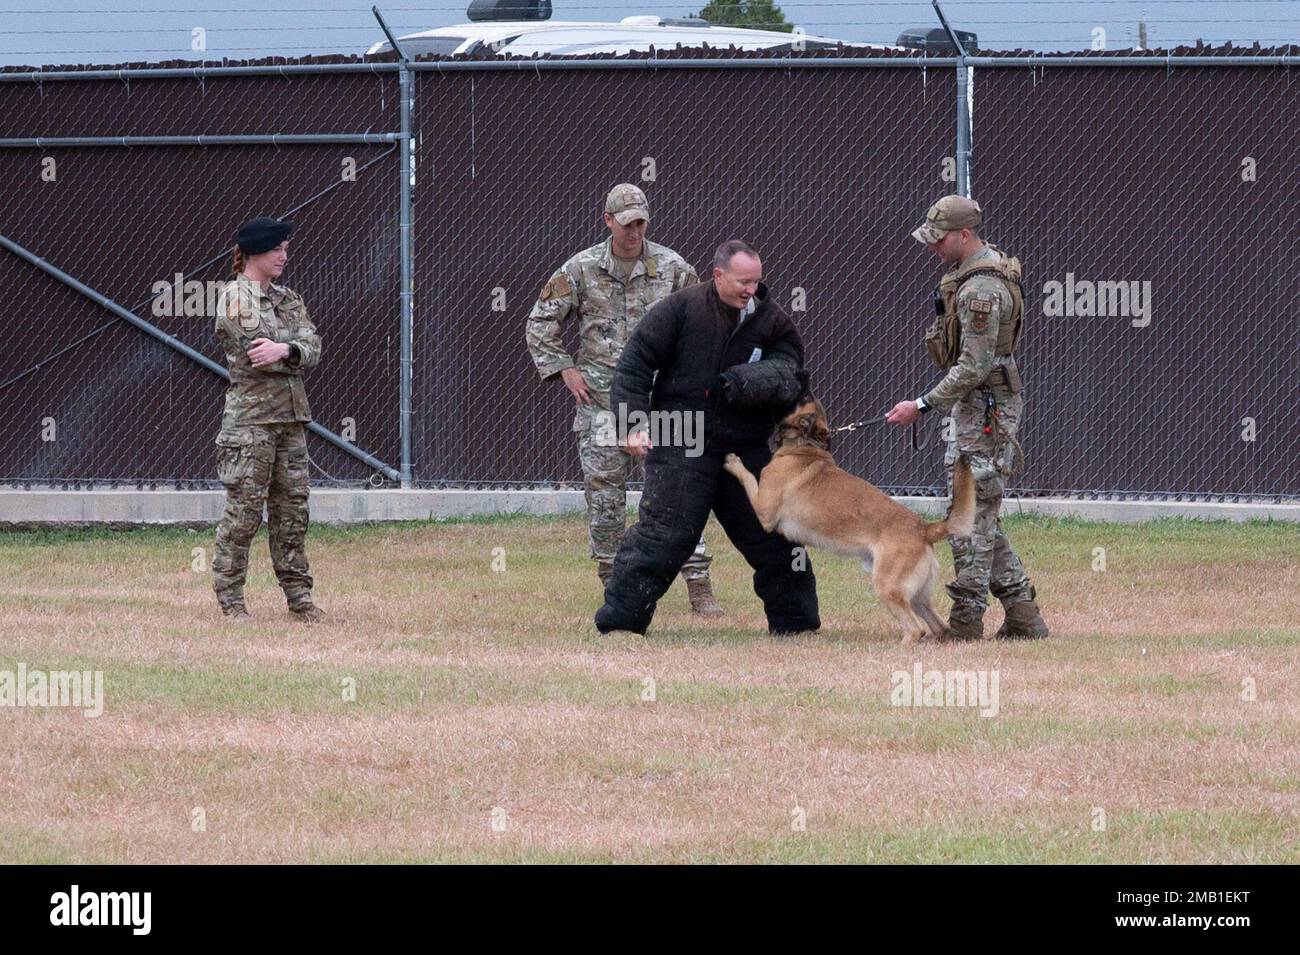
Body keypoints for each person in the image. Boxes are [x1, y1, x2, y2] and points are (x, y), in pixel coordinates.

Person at [594, 240, 820, 636]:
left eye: (756, 282)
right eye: (742, 282)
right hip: (681, 438)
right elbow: (635, 365)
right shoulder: (680, 309)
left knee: (775, 534)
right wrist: (631, 424)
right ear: (718, 275)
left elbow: (791, 371)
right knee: (664, 537)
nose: (751, 290)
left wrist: (753, 380)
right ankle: (621, 621)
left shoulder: (771, 320)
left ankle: (796, 624)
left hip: (743, 445)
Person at [526, 183, 724, 615]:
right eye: (627, 222)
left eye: (641, 222)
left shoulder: (672, 269)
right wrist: (564, 368)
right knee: (604, 493)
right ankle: (613, 583)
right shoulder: (581, 270)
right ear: (608, 221)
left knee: (680, 490)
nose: (635, 231)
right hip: (602, 401)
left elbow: (706, 321)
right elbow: (541, 322)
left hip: (663, 400)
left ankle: (698, 583)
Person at [885, 196, 1049, 641]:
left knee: (969, 517)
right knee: (981, 515)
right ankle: (1023, 616)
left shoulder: (980, 290)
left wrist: (920, 405)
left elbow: (974, 367)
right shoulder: (977, 270)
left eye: (939, 240)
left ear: (963, 235)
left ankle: (965, 622)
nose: (932, 248)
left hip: (987, 408)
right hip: (980, 405)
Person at [211, 216, 325, 622]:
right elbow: (256, 353)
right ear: (256, 252)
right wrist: (289, 351)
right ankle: (231, 599)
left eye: (286, 247)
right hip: (251, 426)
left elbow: (313, 347)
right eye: (277, 248)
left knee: (292, 514)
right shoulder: (234, 299)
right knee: (244, 514)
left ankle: (300, 599)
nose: (284, 255)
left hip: (290, 421)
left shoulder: (287, 298)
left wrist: (286, 350)